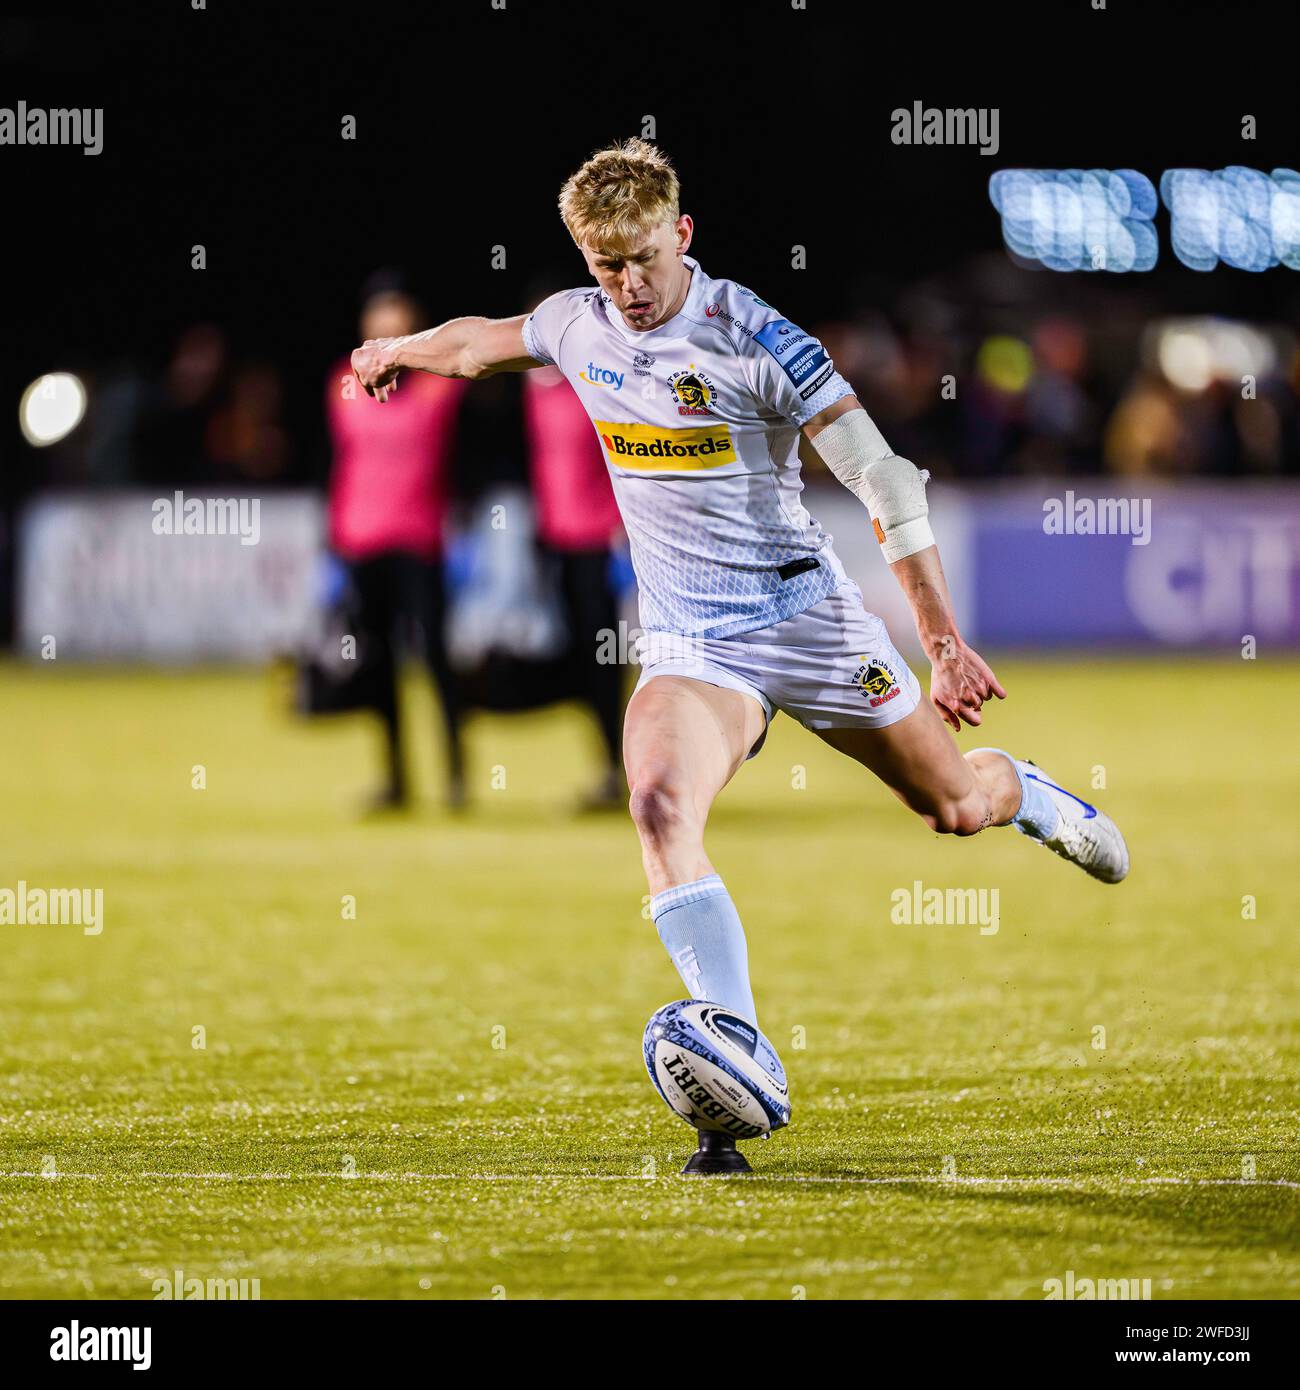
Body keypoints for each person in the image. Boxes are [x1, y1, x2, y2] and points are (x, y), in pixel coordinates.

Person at [350, 140, 1129, 1162]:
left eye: (639, 258)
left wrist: (940, 644)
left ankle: (1020, 792)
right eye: (601, 264)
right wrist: (399, 352)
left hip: (808, 624)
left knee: (950, 808)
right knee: (659, 806)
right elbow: (480, 342)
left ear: (680, 233)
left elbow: (886, 483)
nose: (624, 286)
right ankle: (735, 1051)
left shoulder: (754, 336)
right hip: (690, 642)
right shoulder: (577, 324)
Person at [327, 279, 469, 809]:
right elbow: (337, 465)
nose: (387, 341)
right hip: (362, 542)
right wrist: (333, 544)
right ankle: (396, 779)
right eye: (379, 331)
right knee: (377, 665)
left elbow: (466, 459)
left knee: (435, 658)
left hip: (421, 541)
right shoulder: (340, 388)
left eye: (398, 332)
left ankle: (456, 775)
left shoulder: (440, 385)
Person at [522, 292, 626, 808]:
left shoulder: (599, 383)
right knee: (584, 663)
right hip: (556, 546)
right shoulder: (533, 389)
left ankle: (629, 769)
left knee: (611, 660)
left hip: (602, 545)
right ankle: (610, 769)